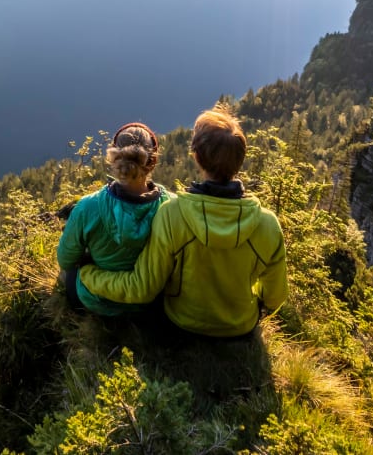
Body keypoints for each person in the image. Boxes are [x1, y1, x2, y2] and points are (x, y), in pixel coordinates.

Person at [79, 104, 287, 338]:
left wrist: (88, 274)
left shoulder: (172, 214)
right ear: (241, 157)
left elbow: (143, 288)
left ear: (197, 157)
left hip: (182, 323)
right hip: (240, 328)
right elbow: (275, 297)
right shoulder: (267, 224)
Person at [55, 122, 173, 316]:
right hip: (151, 303)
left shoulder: (88, 207)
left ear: (113, 158)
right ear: (152, 162)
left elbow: (65, 260)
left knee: (68, 273)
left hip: (97, 300)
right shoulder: (170, 207)